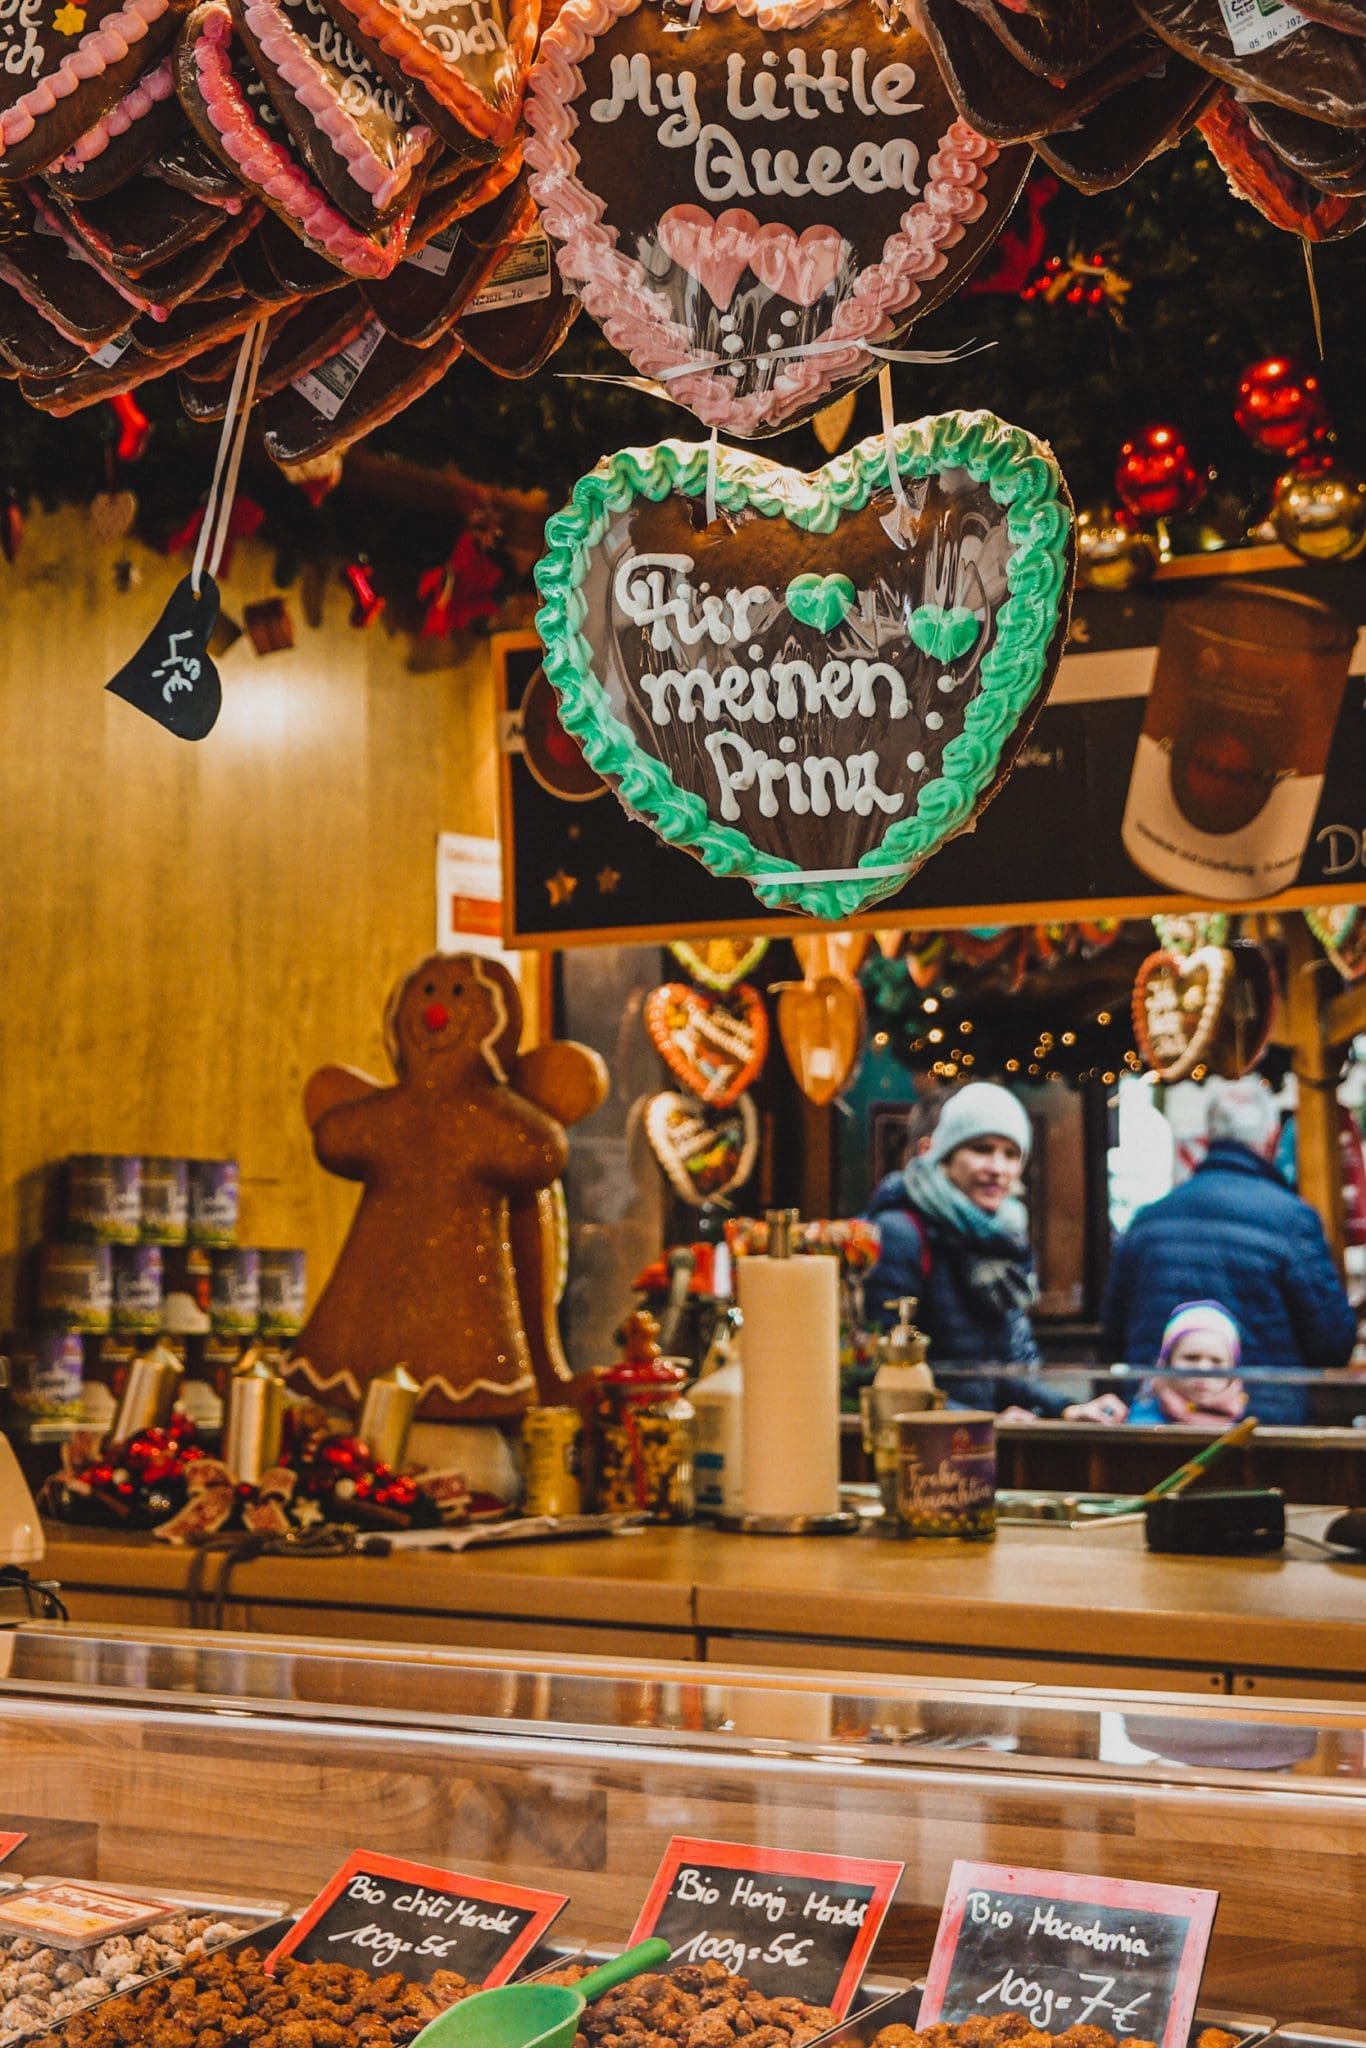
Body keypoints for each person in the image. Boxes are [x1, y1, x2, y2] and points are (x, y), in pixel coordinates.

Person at [1102, 1076, 1358, 1424]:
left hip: (1157, 1428)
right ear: (1271, 1139)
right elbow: (1333, 1343)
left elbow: (1111, 1338)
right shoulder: (1293, 1220)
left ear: (1209, 1138)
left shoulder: (1147, 1220)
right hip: (1262, 1428)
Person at [863, 1081, 1063, 1413]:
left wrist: (1066, 1407)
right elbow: (879, 1373)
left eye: (1011, 1154)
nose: (998, 1168)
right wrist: (980, 1423)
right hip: (926, 1445)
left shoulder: (1003, 1239)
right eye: (982, 1149)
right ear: (944, 1154)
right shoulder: (900, 1234)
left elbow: (1005, 1368)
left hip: (980, 1441)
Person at [1129, 1300, 1249, 1426]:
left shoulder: (1246, 1431)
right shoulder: (1138, 1424)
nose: (1203, 1370)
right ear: (1166, 1363)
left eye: (1217, 1361)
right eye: (1191, 1358)